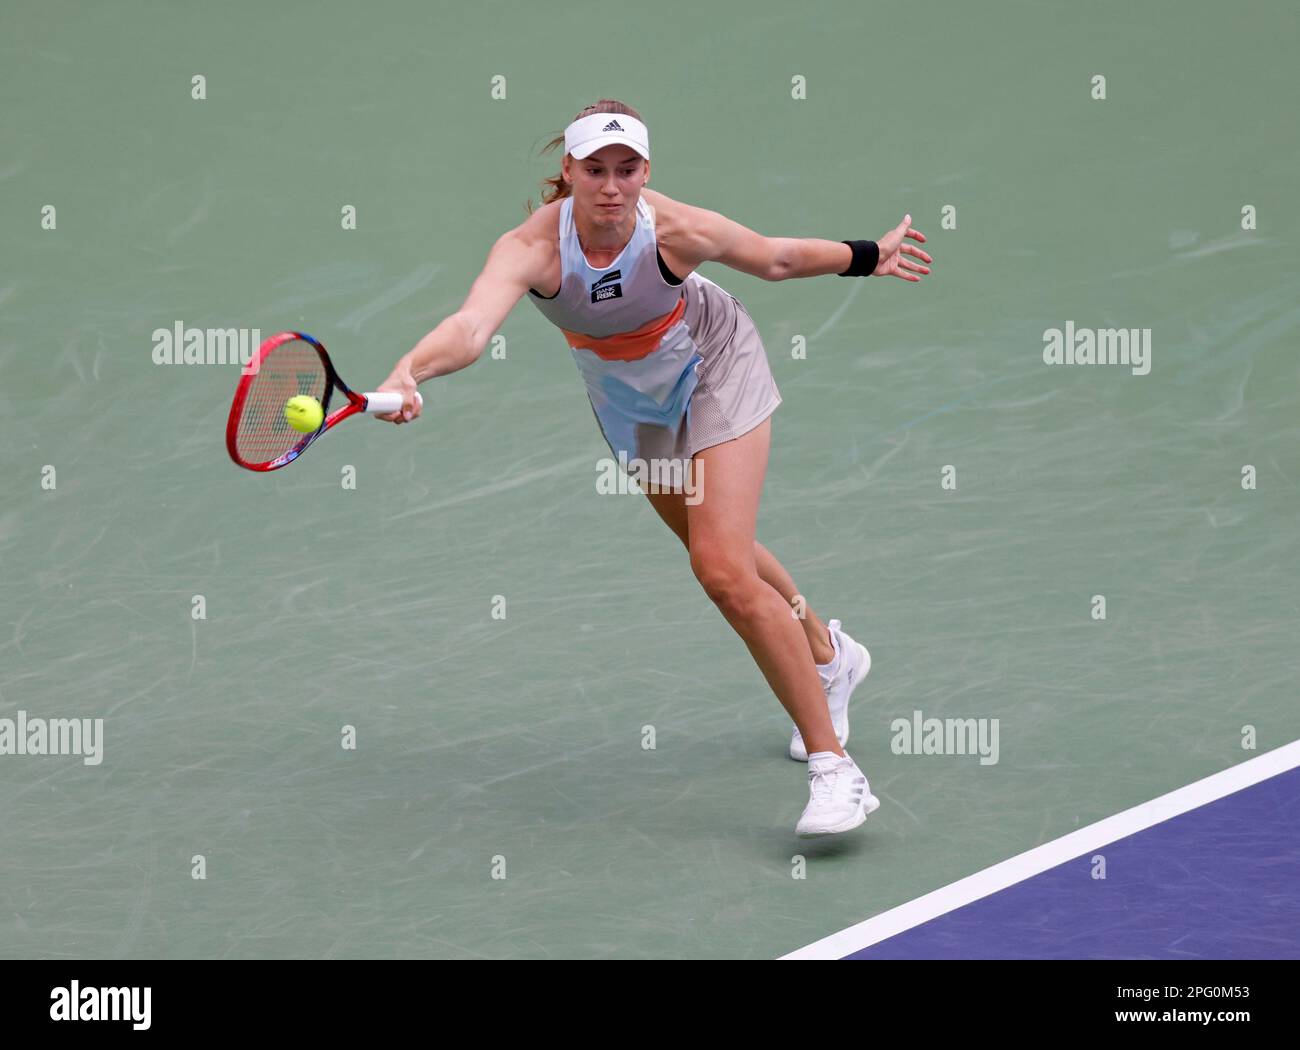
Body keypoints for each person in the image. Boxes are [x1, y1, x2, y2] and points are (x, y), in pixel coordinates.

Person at [377, 100, 932, 836]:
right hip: (631, 400)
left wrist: (869, 253)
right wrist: (411, 368)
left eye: (627, 169)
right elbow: (471, 329)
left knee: (721, 568)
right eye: (596, 170)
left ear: (646, 172)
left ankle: (838, 774)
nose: (612, 186)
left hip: (714, 363)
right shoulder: (532, 249)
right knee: (719, 547)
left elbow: (775, 258)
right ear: (568, 171)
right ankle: (828, 656)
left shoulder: (672, 228)